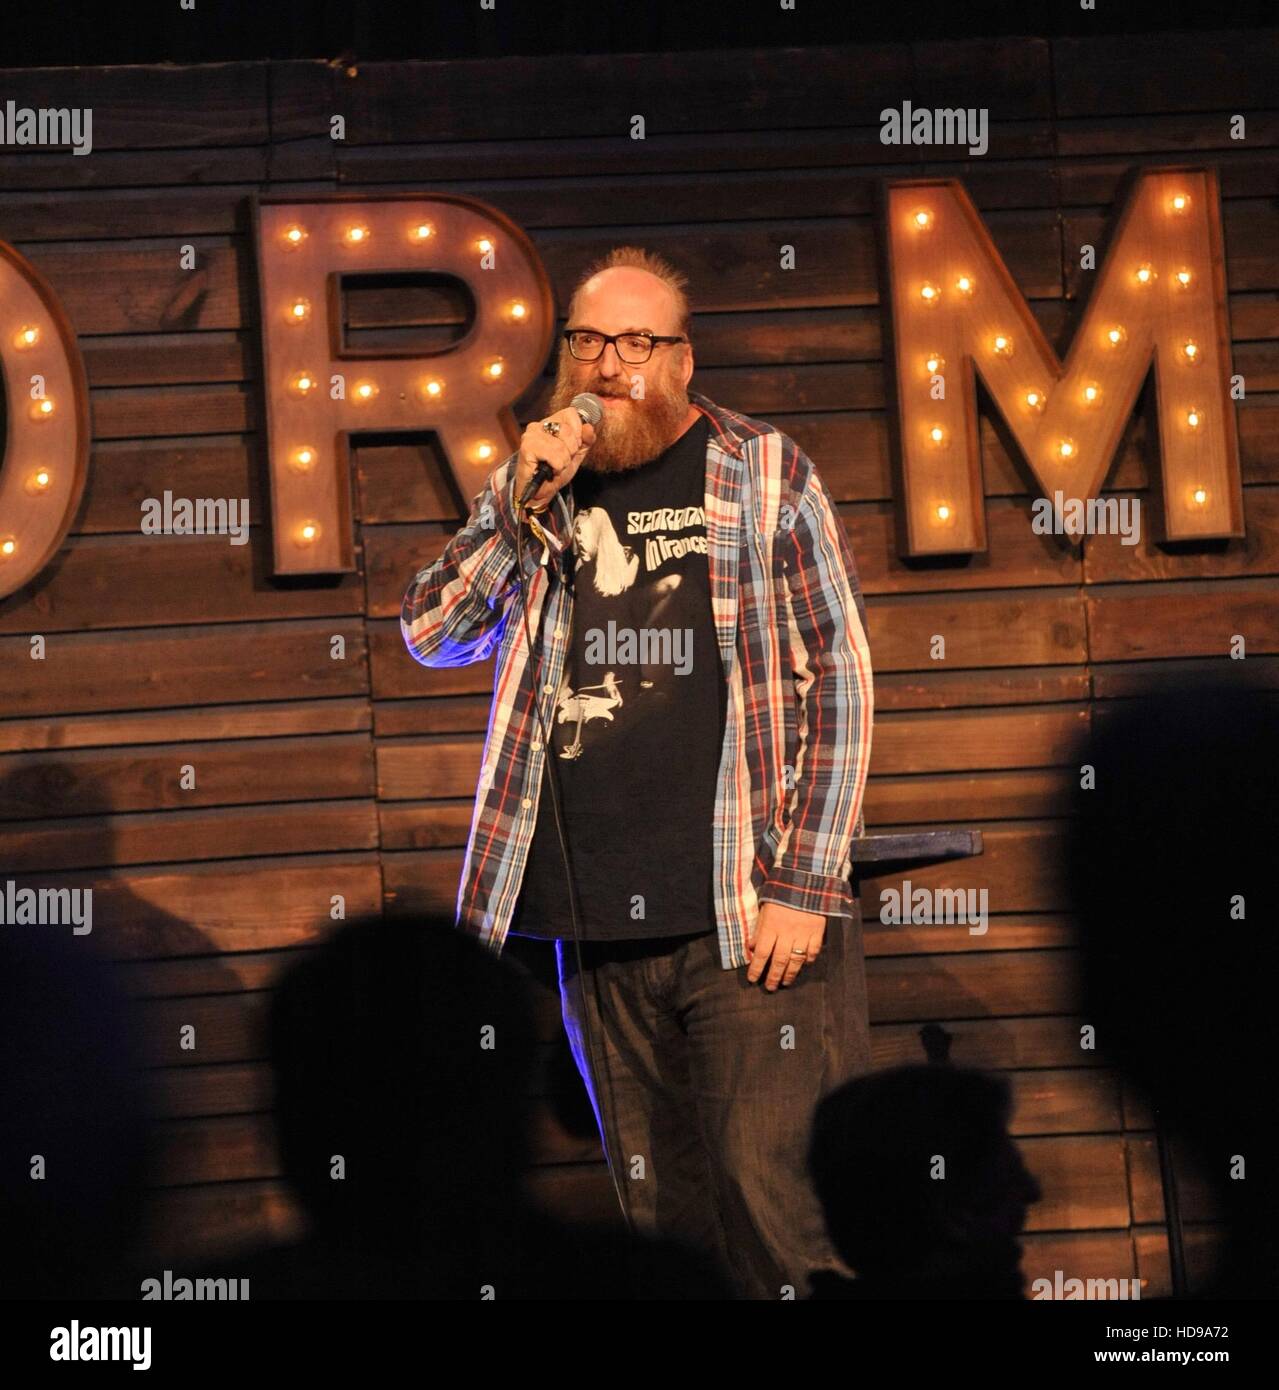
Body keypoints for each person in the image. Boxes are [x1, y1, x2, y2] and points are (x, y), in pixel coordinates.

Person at [401, 245, 874, 1299]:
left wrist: (802, 884)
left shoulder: (762, 472)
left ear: (682, 359)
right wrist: (519, 503)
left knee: (785, 1218)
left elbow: (836, 678)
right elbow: (431, 631)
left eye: (637, 342)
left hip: (745, 917)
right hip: (592, 929)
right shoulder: (539, 494)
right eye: (587, 341)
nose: (610, 364)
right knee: (668, 1233)